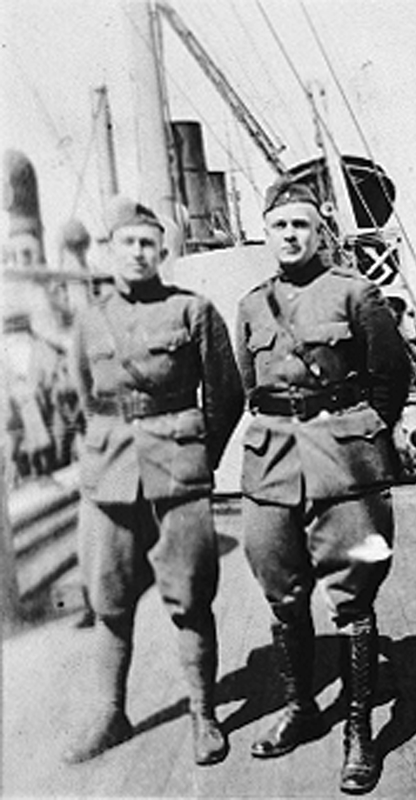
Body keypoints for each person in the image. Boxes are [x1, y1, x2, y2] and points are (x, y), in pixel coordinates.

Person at [235, 177, 410, 794]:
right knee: (282, 593)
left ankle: (358, 731)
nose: (290, 235)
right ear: (266, 232)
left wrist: (366, 433)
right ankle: (301, 708)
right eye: (280, 225)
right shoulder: (253, 305)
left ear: (320, 232)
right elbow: (246, 385)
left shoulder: (355, 292)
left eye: (301, 225)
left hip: (342, 462)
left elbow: (392, 370)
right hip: (272, 461)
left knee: (353, 598)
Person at [64, 196, 244, 766]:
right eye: (128, 242)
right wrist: (95, 457)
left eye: (148, 243)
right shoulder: (90, 320)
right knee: (109, 601)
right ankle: (110, 714)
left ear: (162, 251)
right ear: (109, 250)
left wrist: (196, 457)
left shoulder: (193, 312)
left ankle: (204, 714)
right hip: (109, 475)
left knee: (191, 599)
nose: (138, 252)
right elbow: (80, 397)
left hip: (178, 475)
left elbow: (227, 394)